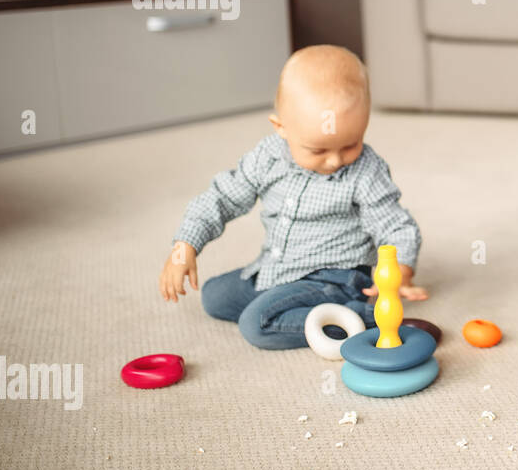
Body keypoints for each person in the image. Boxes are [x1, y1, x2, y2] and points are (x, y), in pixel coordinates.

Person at [158, 44, 429, 349]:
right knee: (215, 297)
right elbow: (222, 198)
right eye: (318, 149)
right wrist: (185, 246)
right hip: (278, 268)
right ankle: (302, 308)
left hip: (336, 278)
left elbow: (395, 225)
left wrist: (398, 271)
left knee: (257, 324)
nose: (335, 161)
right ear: (281, 128)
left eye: (350, 144)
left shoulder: (366, 170)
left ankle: (364, 317)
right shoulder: (267, 158)